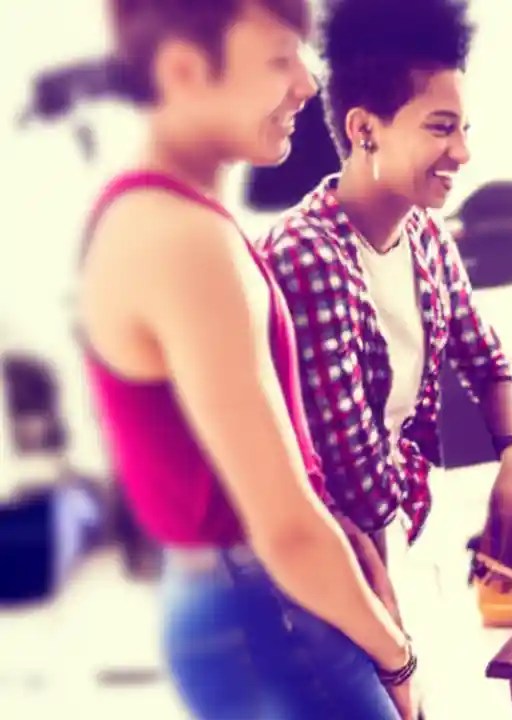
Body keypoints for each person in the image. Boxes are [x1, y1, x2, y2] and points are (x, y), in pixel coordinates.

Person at [79, 1, 417, 718]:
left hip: (247, 605)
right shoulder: (184, 239)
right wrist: (398, 658)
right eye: (279, 58)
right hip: (269, 614)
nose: (308, 82)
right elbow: (284, 528)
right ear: (182, 70)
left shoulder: (156, 217)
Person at [259, 0, 512, 592]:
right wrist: (400, 653)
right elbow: (355, 488)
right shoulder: (308, 257)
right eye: (440, 127)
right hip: (328, 566)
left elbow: (487, 363)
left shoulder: (424, 235)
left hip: (396, 535)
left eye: (463, 129)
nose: (462, 152)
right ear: (364, 131)